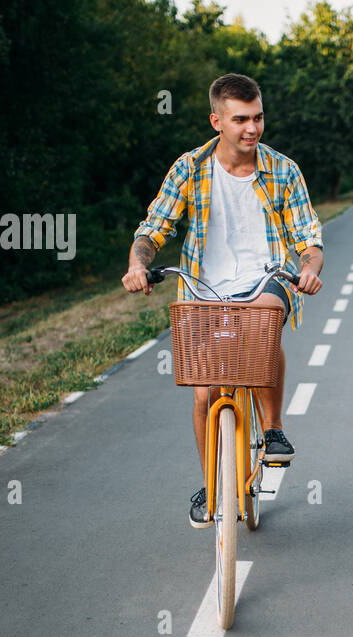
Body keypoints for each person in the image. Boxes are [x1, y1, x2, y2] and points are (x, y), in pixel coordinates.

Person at [122, 73, 324, 528]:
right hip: (202, 287)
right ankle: (212, 480)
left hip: (265, 278)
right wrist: (139, 264)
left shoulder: (283, 169)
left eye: (257, 118)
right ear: (217, 120)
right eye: (240, 120)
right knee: (204, 391)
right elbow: (152, 229)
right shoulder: (190, 168)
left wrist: (309, 268)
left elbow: (308, 237)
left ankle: (272, 429)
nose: (251, 129)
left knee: (266, 321)